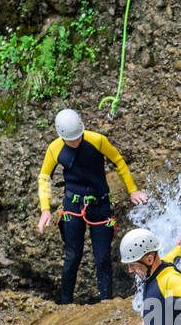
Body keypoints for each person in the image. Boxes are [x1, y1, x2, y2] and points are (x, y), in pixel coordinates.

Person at [37, 108, 149, 304]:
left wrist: (133, 190)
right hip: (72, 206)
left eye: (78, 136)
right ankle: (65, 303)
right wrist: (45, 209)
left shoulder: (97, 140)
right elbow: (44, 177)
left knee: (103, 257)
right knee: (73, 255)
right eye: (71, 139)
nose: (76, 141)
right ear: (62, 136)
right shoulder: (55, 148)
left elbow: (118, 162)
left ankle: (106, 302)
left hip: (100, 204)